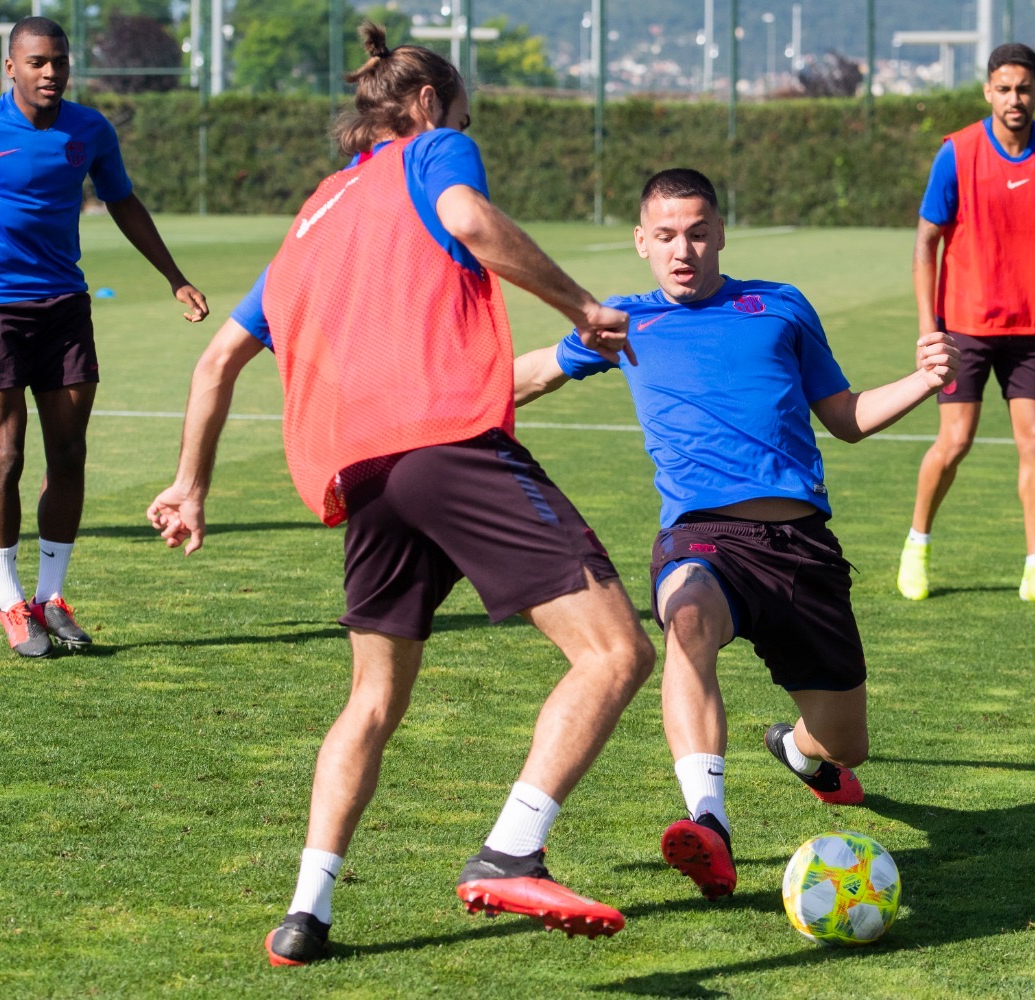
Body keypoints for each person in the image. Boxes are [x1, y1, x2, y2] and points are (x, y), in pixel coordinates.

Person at [146, 27, 654, 966]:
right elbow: (468, 220)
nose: (466, 133)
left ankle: (306, 913)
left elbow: (220, 357)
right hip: (448, 452)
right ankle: (511, 850)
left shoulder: (314, 215)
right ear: (427, 109)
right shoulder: (435, 152)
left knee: (372, 700)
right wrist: (583, 305)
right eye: (463, 117)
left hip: (366, 479)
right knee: (616, 652)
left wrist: (190, 482)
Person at [512, 168, 958, 900]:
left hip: (803, 549)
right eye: (664, 236)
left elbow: (844, 418)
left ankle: (799, 750)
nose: (681, 249)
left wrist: (922, 381)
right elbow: (531, 373)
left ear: (719, 233)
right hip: (703, 537)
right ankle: (709, 821)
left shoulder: (780, 307)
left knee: (847, 745)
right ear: (641, 243)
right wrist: (435, 404)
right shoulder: (624, 321)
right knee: (686, 618)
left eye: (695, 232)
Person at [0, 16, 208, 657]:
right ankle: (9, 601)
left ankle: (51, 600)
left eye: (58, 61)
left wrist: (174, 277)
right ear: (11, 67)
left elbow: (123, 202)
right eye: (36, 62)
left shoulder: (90, 130)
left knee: (70, 453)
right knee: (6, 457)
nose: (50, 72)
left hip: (65, 309)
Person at [897, 43, 1035, 608]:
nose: (1014, 98)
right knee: (954, 443)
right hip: (966, 326)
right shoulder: (958, 153)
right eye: (1003, 88)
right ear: (988, 92)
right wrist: (931, 328)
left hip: (1028, 326)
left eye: (1023, 88)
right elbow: (926, 243)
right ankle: (916, 546)